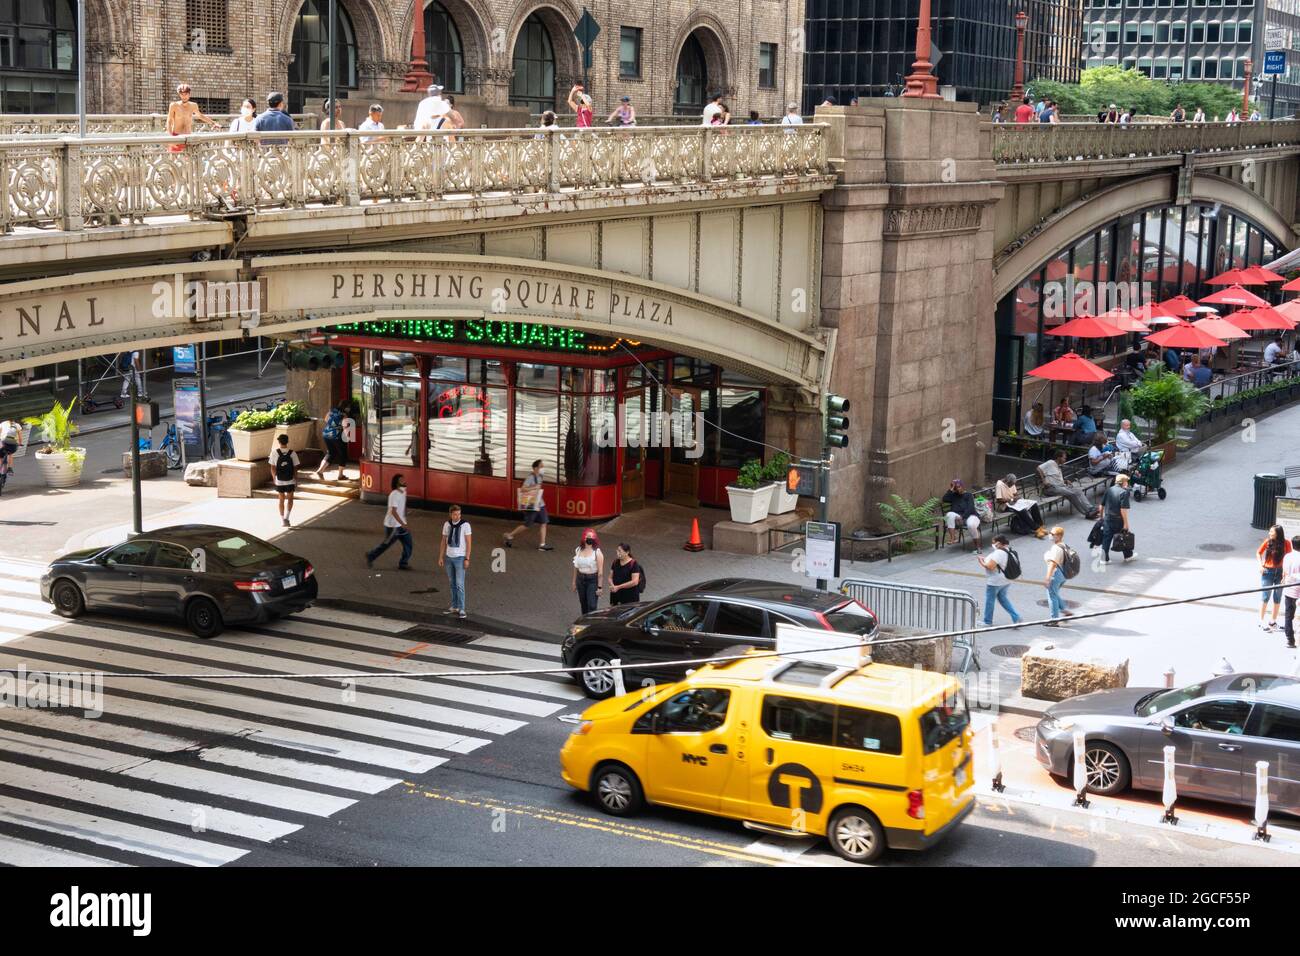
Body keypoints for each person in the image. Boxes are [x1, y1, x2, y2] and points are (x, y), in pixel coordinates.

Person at [366, 474, 413, 570]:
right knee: (386, 544)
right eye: (401, 480)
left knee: (408, 543)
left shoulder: (403, 492)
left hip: (400, 524)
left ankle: (403, 563)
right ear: (396, 483)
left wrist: (405, 514)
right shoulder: (394, 495)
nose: (404, 481)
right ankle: (371, 555)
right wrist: (403, 523)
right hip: (393, 526)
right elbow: (393, 512)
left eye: (404, 479)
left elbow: (402, 505)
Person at [504, 459, 553, 550]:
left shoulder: (540, 476)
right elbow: (523, 489)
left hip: (540, 504)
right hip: (532, 505)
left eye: (543, 467)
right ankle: (510, 535)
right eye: (541, 466)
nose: (543, 468)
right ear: (535, 468)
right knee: (527, 525)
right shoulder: (530, 477)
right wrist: (534, 487)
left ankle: (542, 545)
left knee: (544, 523)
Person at [1037, 451, 1101, 519]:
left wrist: (1065, 481)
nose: (1065, 460)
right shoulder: (1050, 463)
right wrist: (1043, 481)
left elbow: (1056, 479)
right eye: (1064, 458)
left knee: (1078, 491)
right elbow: (1038, 468)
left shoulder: (1058, 467)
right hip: (1049, 489)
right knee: (1072, 493)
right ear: (1059, 458)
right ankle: (1088, 512)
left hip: (1060, 487)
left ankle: (1090, 509)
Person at [978, 535, 1023, 627]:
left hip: (995, 581)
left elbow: (990, 566)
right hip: (1006, 580)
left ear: (998, 543)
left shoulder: (998, 553)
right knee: (1002, 598)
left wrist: (981, 562)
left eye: (993, 542)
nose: (992, 544)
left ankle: (987, 621)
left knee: (990, 600)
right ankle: (1016, 616)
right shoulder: (1011, 551)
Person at [439, 504, 472, 619]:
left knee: (460, 584)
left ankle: (462, 608)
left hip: (460, 558)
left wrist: (467, 558)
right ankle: (454, 606)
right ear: (450, 514)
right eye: (455, 514)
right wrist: (441, 556)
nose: (457, 516)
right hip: (449, 557)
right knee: (452, 583)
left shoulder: (466, 525)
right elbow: (443, 541)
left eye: (459, 514)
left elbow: (469, 543)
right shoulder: (447, 524)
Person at [1258, 525, 1292, 632]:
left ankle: (1273, 621)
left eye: (1271, 531)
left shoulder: (1286, 543)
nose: (1269, 533)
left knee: (1277, 598)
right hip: (1268, 571)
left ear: (1278, 533)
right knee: (1265, 597)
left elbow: (1289, 558)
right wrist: (1260, 565)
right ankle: (1261, 621)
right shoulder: (1268, 542)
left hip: (1280, 572)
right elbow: (1258, 552)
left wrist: (1286, 574)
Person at [165, 83, 220, 150]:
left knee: (189, 160)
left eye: (186, 94)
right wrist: (171, 138)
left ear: (189, 94)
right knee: (173, 159)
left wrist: (213, 123)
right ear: (179, 95)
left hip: (188, 138)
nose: (184, 96)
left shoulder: (193, 105)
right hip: (176, 136)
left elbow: (200, 116)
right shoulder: (174, 105)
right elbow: (169, 121)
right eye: (182, 94)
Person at [313, 401, 355, 481]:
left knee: (331, 453)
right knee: (343, 455)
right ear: (346, 408)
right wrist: (347, 438)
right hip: (337, 436)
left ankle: (320, 470)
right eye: (348, 407)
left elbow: (326, 420)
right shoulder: (344, 416)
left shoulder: (331, 411)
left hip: (326, 434)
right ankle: (340, 475)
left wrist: (333, 425)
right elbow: (345, 428)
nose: (349, 409)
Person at [1099, 473, 1134, 563]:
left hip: (1107, 518)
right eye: (1127, 481)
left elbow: (1101, 505)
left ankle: (1104, 558)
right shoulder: (1124, 492)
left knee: (1106, 538)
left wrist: (1101, 517)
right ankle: (1128, 556)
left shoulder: (1109, 490)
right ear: (1123, 482)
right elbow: (1123, 510)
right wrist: (1126, 523)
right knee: (1123, 536)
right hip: (1118, 519)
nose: (1127, 483)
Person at [942, 478, 982, 552]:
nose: (958, 489)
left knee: (971, 525)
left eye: (959, 487)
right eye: (956, 488)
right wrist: (951, 489)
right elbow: (944, 499)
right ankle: (953, 538)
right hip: (958, 517)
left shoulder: (968, 495)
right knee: (948, 514)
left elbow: (970, 508)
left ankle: (977, 547)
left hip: (970, 516)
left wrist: (962, 517)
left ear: (963, 486)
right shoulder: (953, 495)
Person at [268, 433, 299, 527]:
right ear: (287, 441)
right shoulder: (293, 453)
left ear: (279, 442)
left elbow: (272, 468)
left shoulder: (274, 452)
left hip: (279, 480)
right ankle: (287, 518)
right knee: (290, 499)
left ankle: (282, 520)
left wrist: (274, 478)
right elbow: (295, 468)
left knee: (281, 500)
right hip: (290, 480)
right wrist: (296, 479)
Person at [572, 528, 605, 615]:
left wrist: (600, 587)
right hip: (580, 579)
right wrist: (574, 582)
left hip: (592, 580)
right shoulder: (578, 550)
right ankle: (584, 622)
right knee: (583, 603)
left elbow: (600, 572)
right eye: (587, 536)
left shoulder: (597, 553)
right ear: (584, 538)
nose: (589, 538)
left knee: (592, 605)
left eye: (591, 536)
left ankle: (591, 622)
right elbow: (576, 567)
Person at [1043, 526, 1072, 626]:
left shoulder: (1056, 548)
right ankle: (1065, 611)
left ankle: (1054, 620)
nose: (1050, 535)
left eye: (1052, 534)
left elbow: (1053, 564)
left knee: (1052, 596)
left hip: (1056, 573)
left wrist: (1048, 577)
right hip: (1064, 573)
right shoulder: (1064, 545)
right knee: (1054, 593)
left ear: (1059, 536)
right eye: (1050, 533)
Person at [1281, 535, 1300, 648]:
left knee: (1289, 616)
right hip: (1299, 592)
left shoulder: (1287, 557)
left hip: (1289, 590)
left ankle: (1290, 640)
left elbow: (1284, 572)